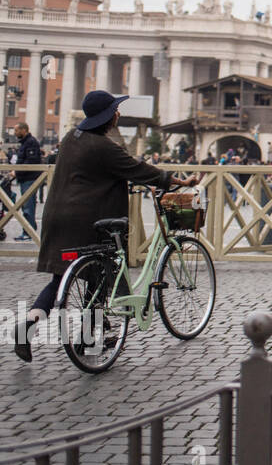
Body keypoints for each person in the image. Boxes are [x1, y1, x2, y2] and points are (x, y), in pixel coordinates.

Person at [14, 92, 197, 362]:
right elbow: (140, 169)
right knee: (100, 274)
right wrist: (180, 182)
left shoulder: (70, 139)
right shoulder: (104, 147)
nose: (118, 114)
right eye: (115, 110)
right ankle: (87, 338)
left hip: (57, 217)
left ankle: (30, 325)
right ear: (107, 116)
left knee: (61, 279)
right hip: (88, 220)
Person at [12, 122, 43, 240]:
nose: (14, 133)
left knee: (28, 205)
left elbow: (31, 162)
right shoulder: (26, 143)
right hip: (25, 178)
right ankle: (29, 231)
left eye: (16, 130)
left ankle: (28, 232)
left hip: (29, 178)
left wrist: (16, 172)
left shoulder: (30, 142)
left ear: (23, 130)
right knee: (27, 205)